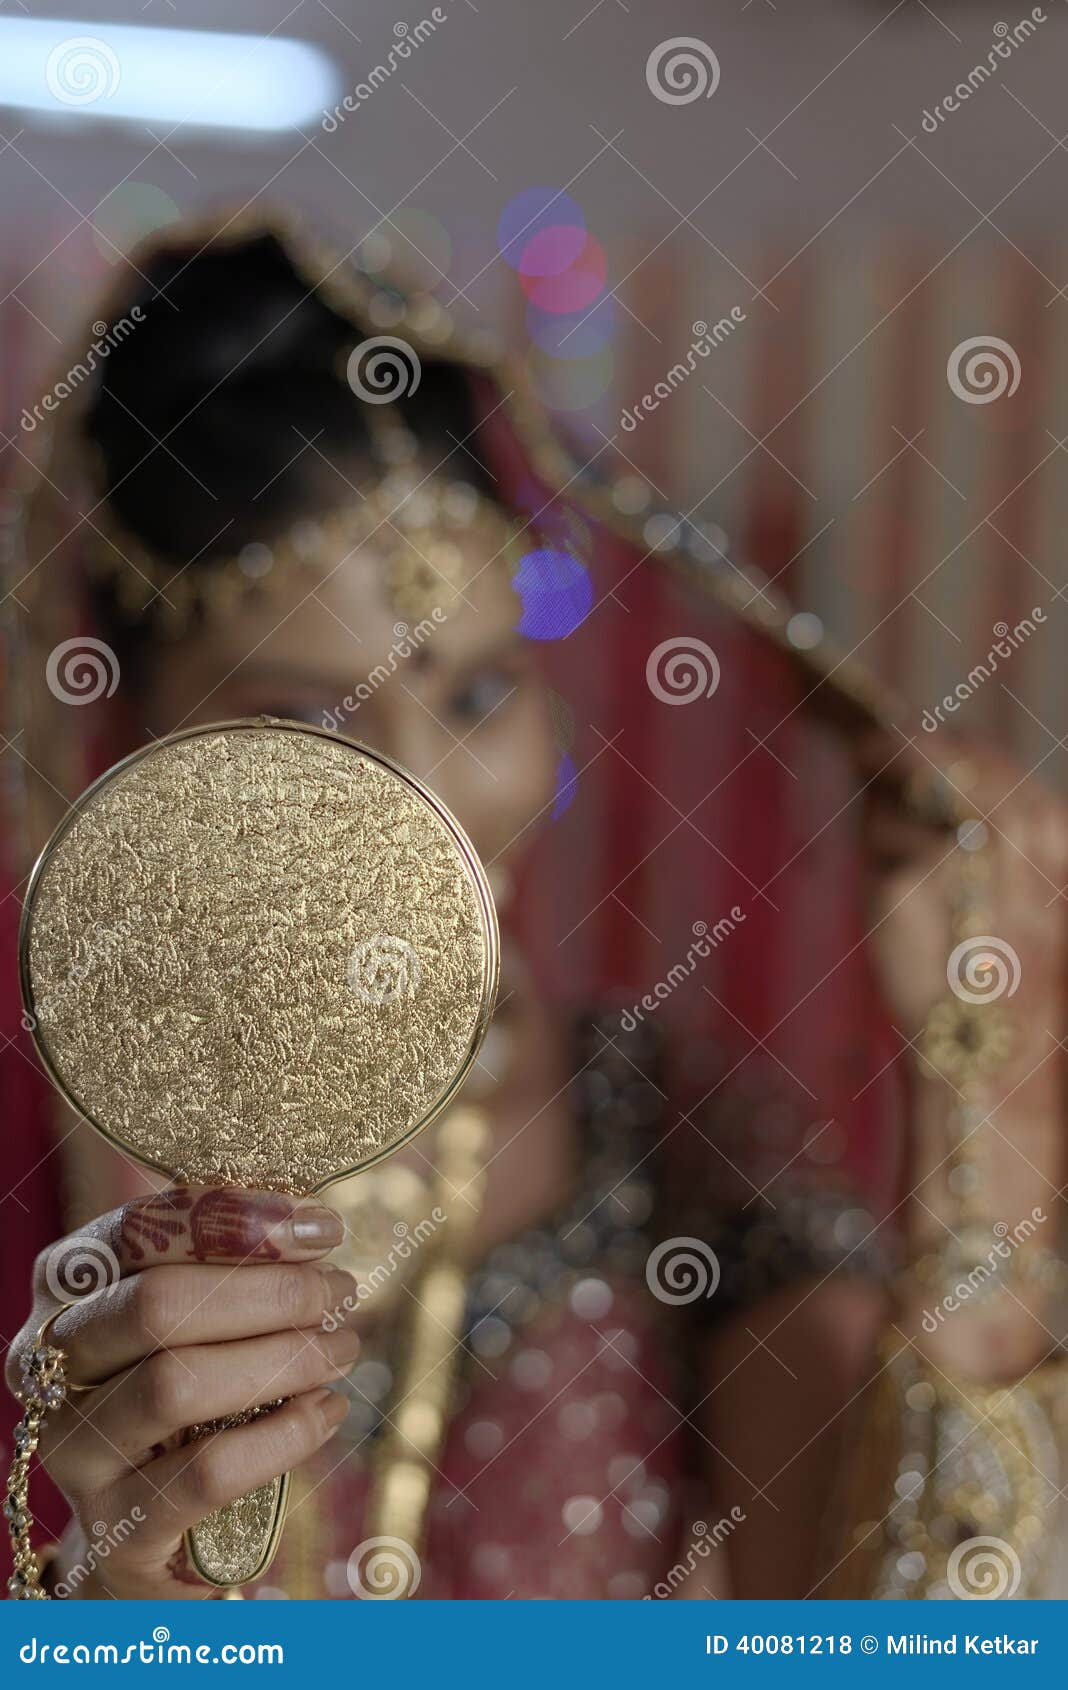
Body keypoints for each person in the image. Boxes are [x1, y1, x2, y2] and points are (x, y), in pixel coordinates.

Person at [3, 212, 1066, 1600]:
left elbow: (914, 1622)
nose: (429, 802)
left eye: (480, 692)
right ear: (135, 742)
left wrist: (993, 1104)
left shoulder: (664, 1130)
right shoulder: (45, 1142)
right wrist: (121, 1599)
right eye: (305, 716)